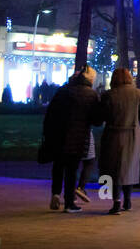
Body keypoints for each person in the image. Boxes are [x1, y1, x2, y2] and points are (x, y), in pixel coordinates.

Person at [42, 67, 101, 212]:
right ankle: (69, 202)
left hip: (59, 135)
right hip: (78, 137)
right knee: (71, 170)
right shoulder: (91, 94)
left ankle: (55, 193)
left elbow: (50, 114)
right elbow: (97, 120)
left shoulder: (63, 91)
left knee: (58, 166)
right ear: (90, 80)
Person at [99, 67, 140, 214]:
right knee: (130, 167)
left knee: (113, 168)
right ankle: (128, 200)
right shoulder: (137, 93)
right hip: (132, 134)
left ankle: (116, 201)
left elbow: (102, 115)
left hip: (113, 134)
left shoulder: (108, 95)